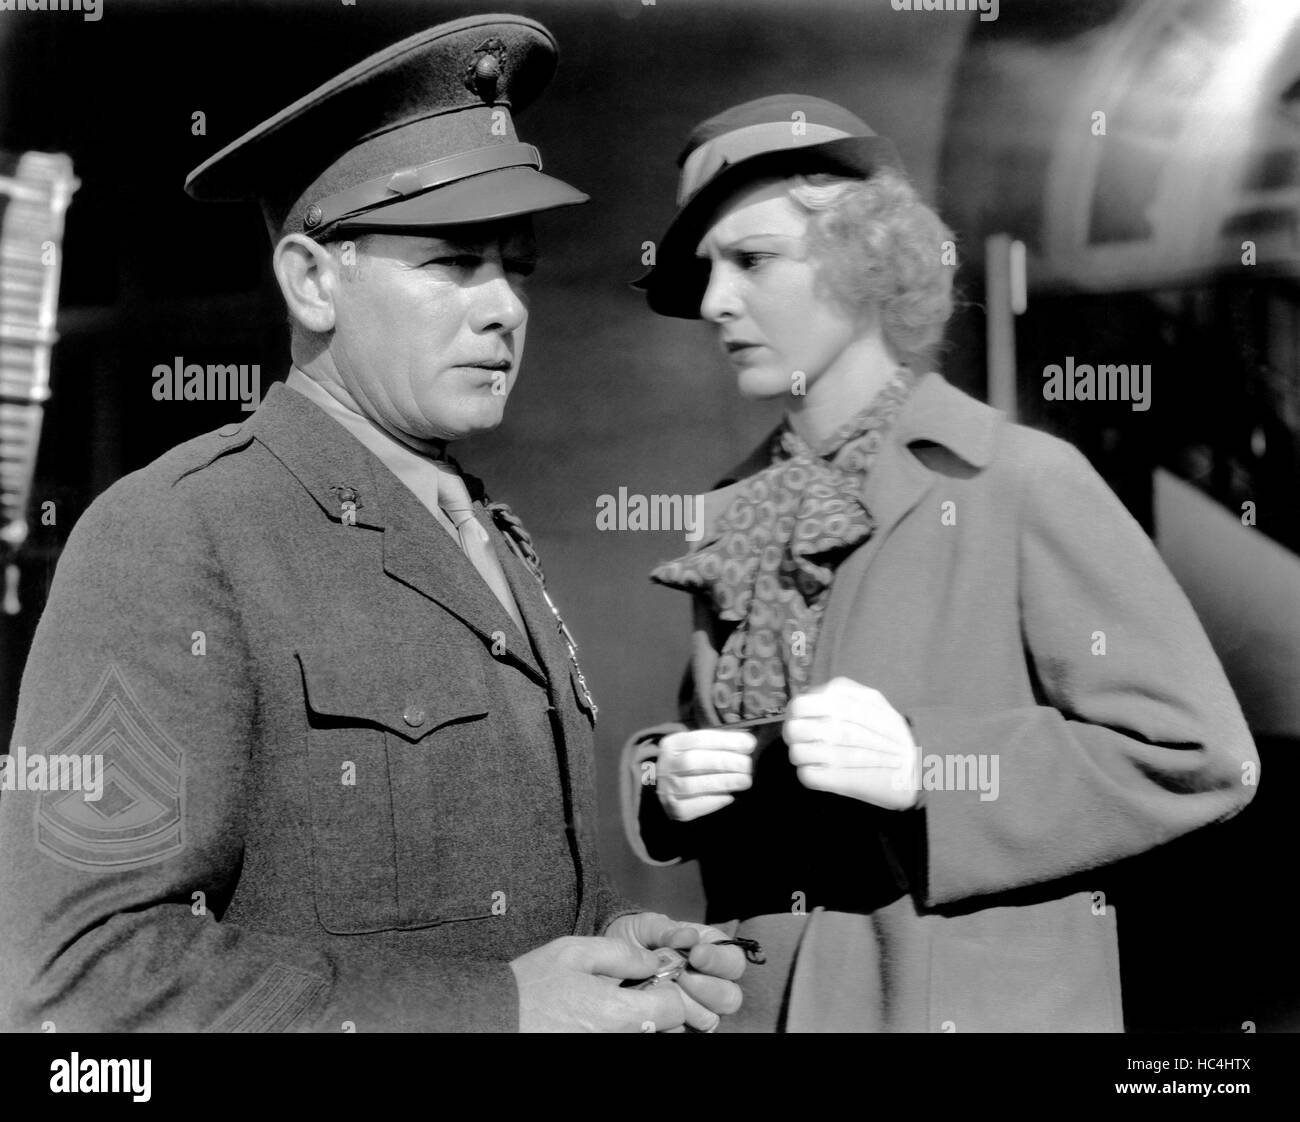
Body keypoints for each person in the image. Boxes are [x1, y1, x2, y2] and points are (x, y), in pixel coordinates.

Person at [0, 14, 744, 1033]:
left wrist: (604, 946)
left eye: (514, 264)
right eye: (451, 262)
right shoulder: (178, 536)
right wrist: (499, 1009)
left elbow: (475, 892)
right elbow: (76, 985)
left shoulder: (482, 531)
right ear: (311, 280)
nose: (505, 308)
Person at [620, 94, 1258, 1032]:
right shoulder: (742, 511)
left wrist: (934, 767)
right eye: (709, 271)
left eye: (751, 261)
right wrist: (670, 784)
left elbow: (1198, 758)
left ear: (862, 263)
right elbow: (728, 740)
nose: (716, 302)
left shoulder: (1019, 480)